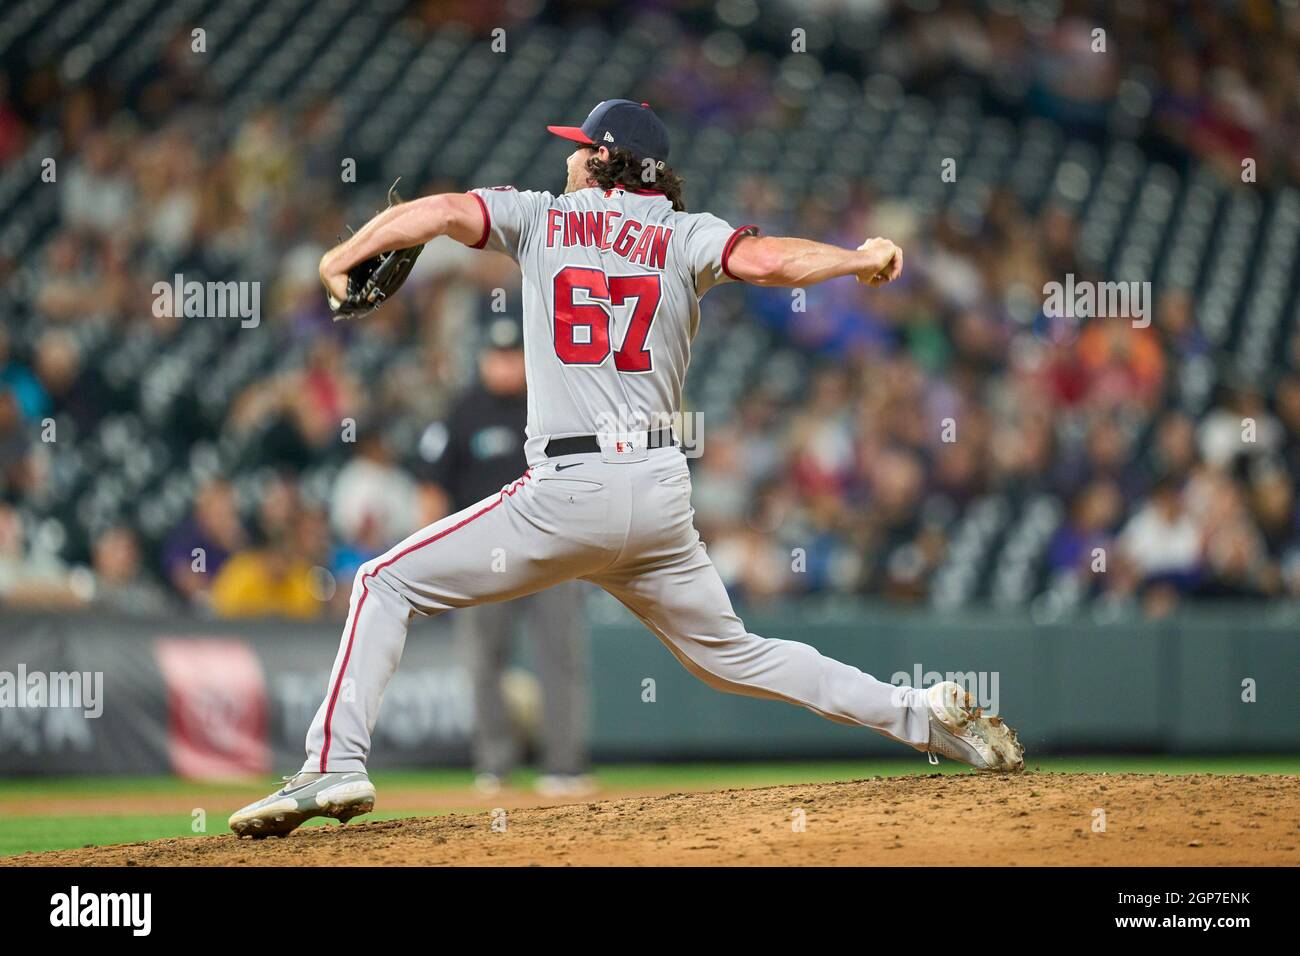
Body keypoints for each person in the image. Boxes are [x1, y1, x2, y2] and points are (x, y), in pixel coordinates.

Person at [231, 99, 1023, 838]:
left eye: (580, 152)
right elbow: (774, 260)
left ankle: (332, 767)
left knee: (381, 583)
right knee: (738, 654)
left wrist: (342, 253)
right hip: (657, 496)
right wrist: (858, 258)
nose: (569, 161)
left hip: (568, 492)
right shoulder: (685, 233)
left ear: (608, 160)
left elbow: (437, 212)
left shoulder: (541, 218)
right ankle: (923, 715)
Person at [419, 315, 592, 798]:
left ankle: (565, 766)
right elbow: (432, 487)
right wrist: (441, 551)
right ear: (482, 361)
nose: (505, 365)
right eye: (497, 356)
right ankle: (495, 765)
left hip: (551, 552)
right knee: (483, 662)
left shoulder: (551, 405)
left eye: (513, 355)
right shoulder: (462, 412)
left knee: (560, 657)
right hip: (482, 554)